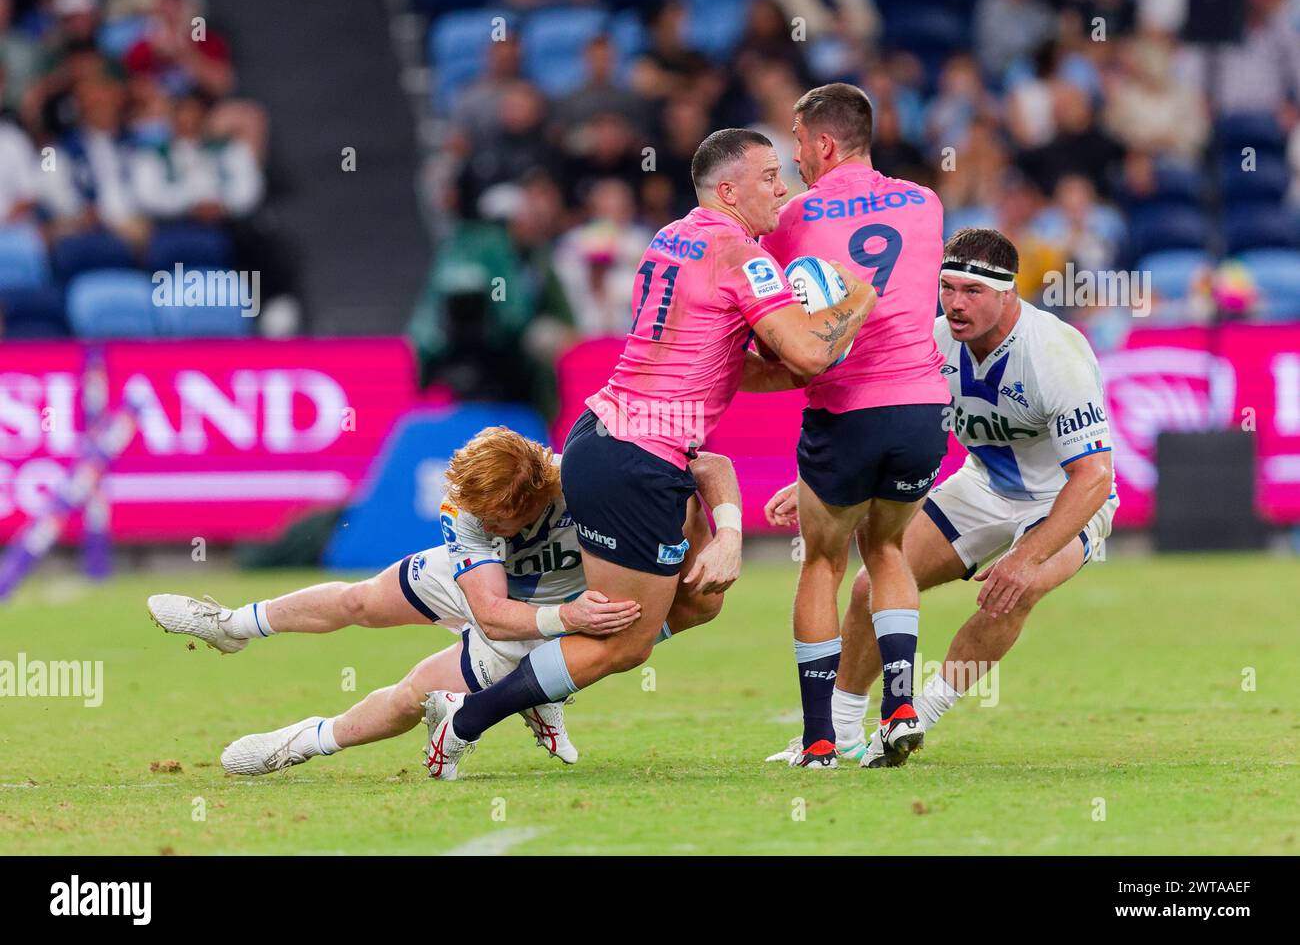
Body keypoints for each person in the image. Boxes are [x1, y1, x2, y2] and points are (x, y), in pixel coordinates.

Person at [420, 128, 877, 781]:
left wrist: (802, 343)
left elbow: (738, 367)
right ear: (729, 190)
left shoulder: (672, 238)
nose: (784, 189)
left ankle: (528, 684)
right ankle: (464, 717)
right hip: (637, 459)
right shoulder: (744, 257)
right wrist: (859, 303)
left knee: (699, 600)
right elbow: (807, 355)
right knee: (627, 642)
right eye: (771, 177)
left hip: (613, 440)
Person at [147, 427, 740, 776]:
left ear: (539, 489)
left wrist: (725, 531)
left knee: (412, 695)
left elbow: (705, 466)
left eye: (503, 517)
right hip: (512, 605)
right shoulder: (469, 509)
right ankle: (232, 624)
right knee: (361, 600)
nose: (488, 523)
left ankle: (299, 742)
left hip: (536, 627)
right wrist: (569, 616)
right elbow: (490, 611)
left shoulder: (586, 482)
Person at [765, 228, 1118, 767]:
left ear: (1008, 293)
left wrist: (1025, 558)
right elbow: (889, 424)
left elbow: (1093, 475)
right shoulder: (931, 342)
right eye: (947, 287)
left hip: (1065, 496)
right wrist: (826, 482)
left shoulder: (1055, 354)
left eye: (972, 291)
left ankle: (913, 721)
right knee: (869, 586)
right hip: (984, 484)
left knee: (1015, 590)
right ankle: (841, 730)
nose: (955, 302)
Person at [753, 83, 951, 768]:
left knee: (824, 560)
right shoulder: (927, 203)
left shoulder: (795, 218)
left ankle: (819, 740)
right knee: (888, 551)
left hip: (844, 405)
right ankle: (898, 704)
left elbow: (777, 317)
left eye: (798, 142)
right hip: (924, 406)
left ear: (825, 143)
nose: (795, 158)